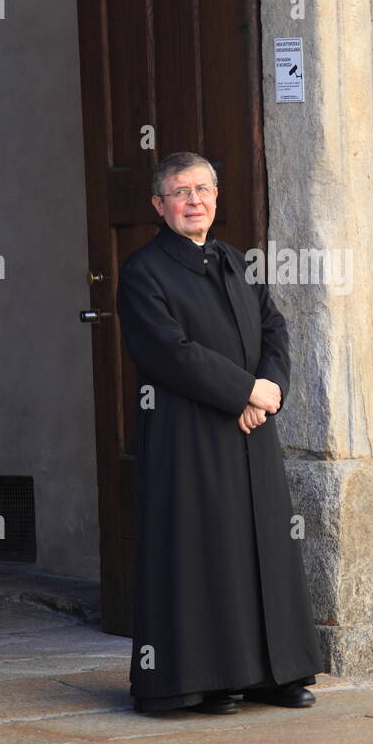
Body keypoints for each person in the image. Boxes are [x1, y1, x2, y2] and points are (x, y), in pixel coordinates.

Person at [115, 151, 324, 715]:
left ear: (216, 197)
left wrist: (269, 390)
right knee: (202, 552)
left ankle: (272, 674)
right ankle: (200, 680)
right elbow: (168, 353)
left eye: (203, 189)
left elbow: (274, 328)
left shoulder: (236, 261)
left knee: (261, 548)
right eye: (181, 192)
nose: (194, 201)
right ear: (159, 206)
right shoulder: (142, 272)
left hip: (251, 431)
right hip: (188, 435)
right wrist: (243, 392)